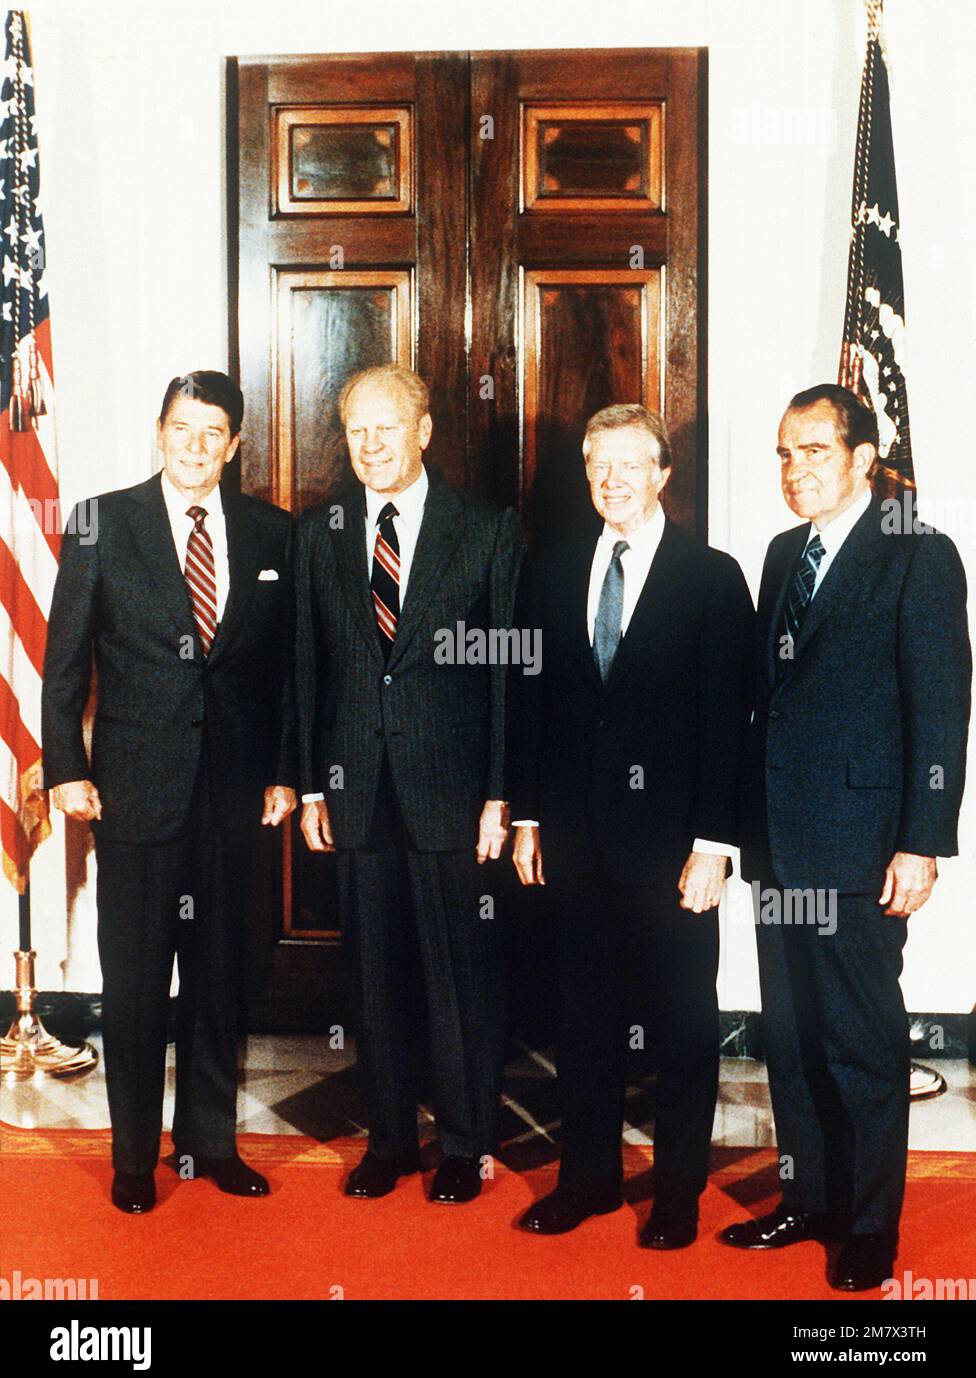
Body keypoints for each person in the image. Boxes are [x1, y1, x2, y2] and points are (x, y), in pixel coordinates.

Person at [720, 384, 971, 1291]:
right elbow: (770, 704)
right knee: (790, 1035)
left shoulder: (919, 553)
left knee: (861, 1041)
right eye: (785, 454)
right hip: (779, 840)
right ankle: (809, 1199)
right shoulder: (782, 553)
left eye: (815, 451)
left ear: (864, 458)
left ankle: (868, 1228)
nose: (796, 470)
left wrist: (922, 842)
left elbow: (940, 709)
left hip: (862, 845)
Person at [42, 370, 297, 1214]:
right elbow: (63, 664)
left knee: (220, 978)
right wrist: (67, 769)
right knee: (137, 982)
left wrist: (286, 771)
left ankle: (211, 1143)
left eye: (212, 432)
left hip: (233, 796)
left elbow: (289, 671)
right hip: (134, 794)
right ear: (160, 433)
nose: (195, 446)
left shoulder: (272, 533)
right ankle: (132, 1159)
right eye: (182, 429)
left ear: (234, 445)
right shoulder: (101, 523)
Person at [508, 404, 754, 1247]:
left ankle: (678, 1194)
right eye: (598, 466)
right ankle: (588, 1181)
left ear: (662, 474)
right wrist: (529, 816)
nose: (612, 481)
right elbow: (532, 703)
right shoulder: (552, 568)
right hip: (577, 841)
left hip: (676, 849)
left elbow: (729, 722)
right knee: (583, 1020)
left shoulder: (711, 577)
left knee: (683, 1024)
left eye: (629, 464)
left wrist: (715, 846)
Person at [295, 364, 524, 1203]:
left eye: (386, 428)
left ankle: (464, 1145)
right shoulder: (319, 533)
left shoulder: (487, 529)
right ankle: (388, 1141)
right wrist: (311, 788)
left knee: (459, 974)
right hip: (356, 790)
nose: (370, 445)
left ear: (423, 432)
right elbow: (304, 669)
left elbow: (508, 672)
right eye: (357, 430)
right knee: (374, 977)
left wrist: (501, 793)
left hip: (453, 794)